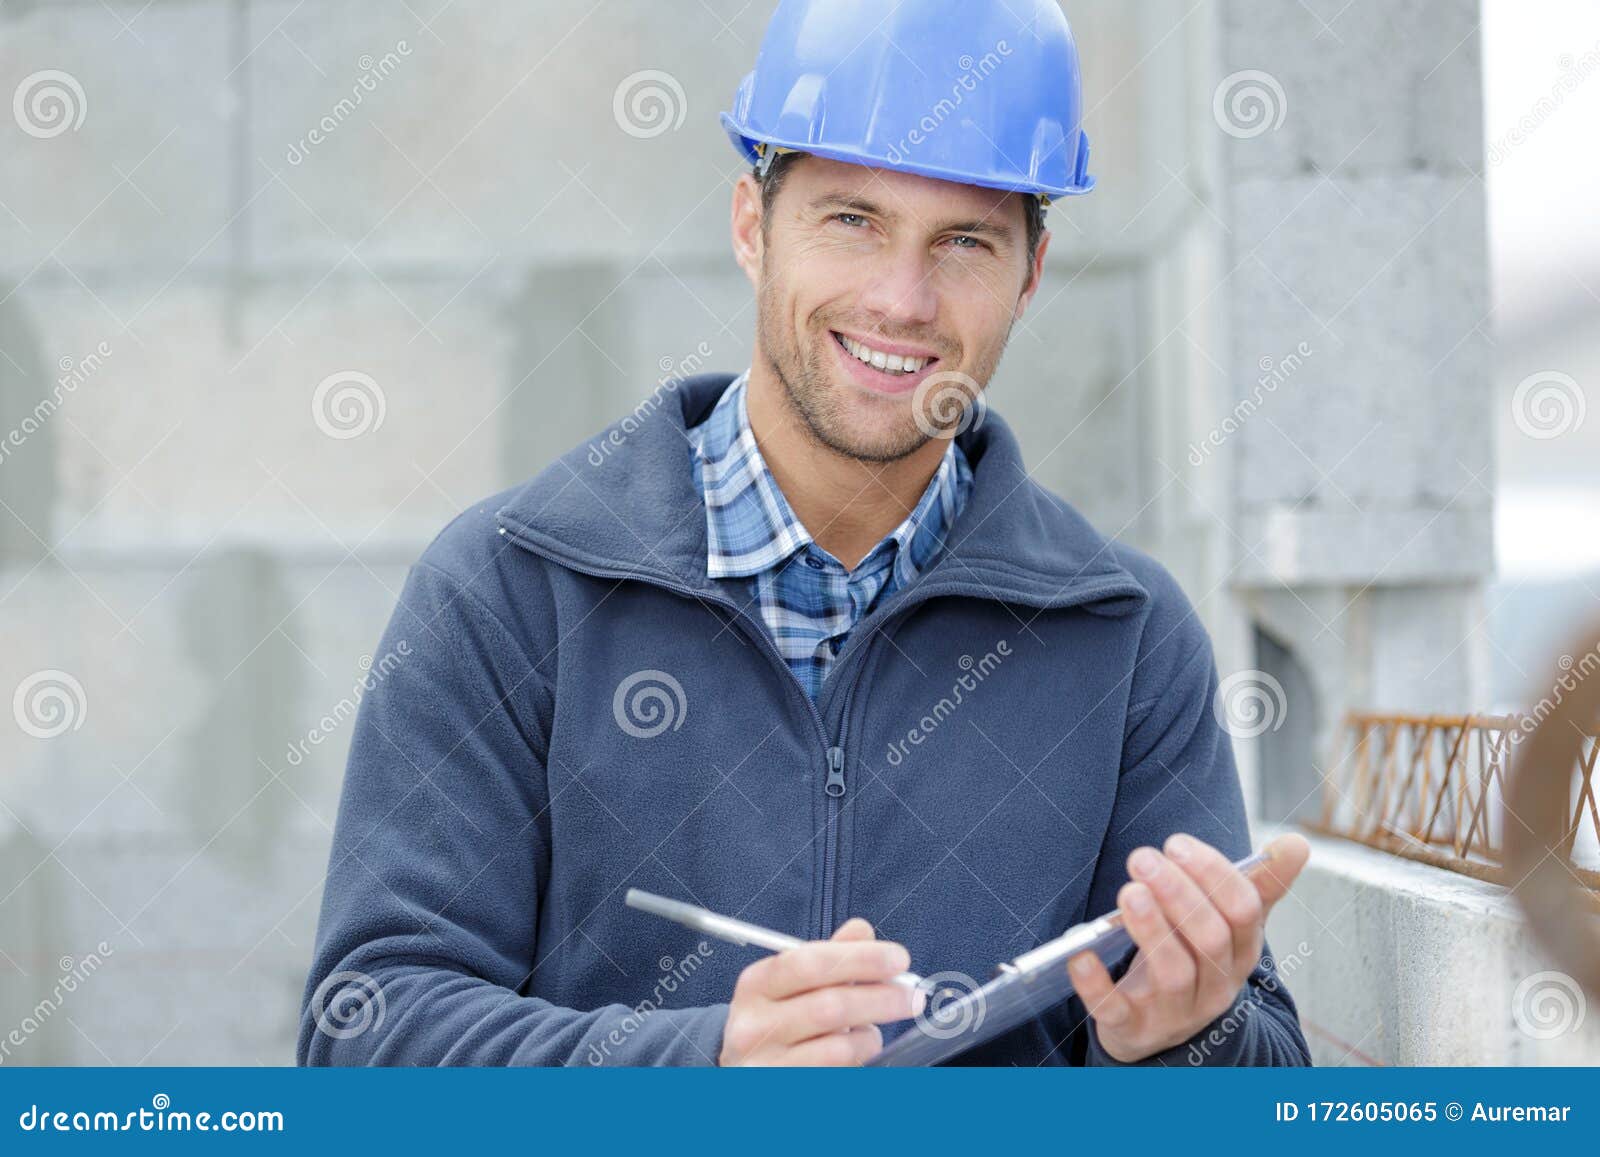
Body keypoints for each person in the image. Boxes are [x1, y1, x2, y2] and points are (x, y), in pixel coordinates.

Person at [298, 0, 1312, 1067]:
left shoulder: (1125, 636)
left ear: (1030, 274)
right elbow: (367, 1034)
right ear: (752, 226)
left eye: (964, 241)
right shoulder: (509, 589)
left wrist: (1182, 1040)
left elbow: (1268, 1083)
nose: (901, 300)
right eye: (852, 220)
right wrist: (699, 1070)